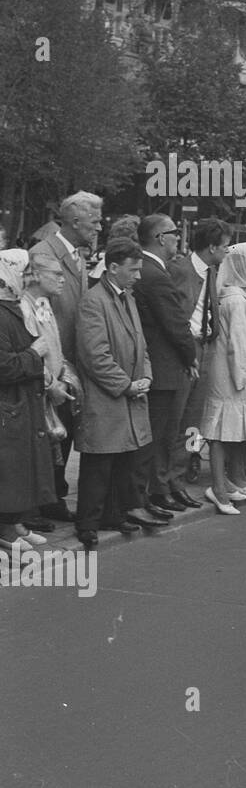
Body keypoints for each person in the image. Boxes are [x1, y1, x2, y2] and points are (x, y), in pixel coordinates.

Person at [74, 239, 166, 545]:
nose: (138, 276)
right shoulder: (93, 301)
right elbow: (94, 355)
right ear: (113, 268)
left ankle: (113, 514)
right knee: (99, 461)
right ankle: (88, 521)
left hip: (129, 392)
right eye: (134, 269)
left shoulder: (126, 297)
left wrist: (146, 377)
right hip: (107, 395)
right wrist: (126, 385)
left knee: (123, 458)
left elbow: (142, 345)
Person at [28, 190, 101, 515]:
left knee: (64, 431)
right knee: (49, 434)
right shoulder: (43, 253)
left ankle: (55, 493)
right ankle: (46, 499)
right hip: (52, 364)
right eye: (94, 221)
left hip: (71, 363)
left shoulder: (77, 255)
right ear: (74, 221)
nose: (98, 227)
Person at [133, 215, 199, 513]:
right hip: (164, 366)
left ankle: (158, 488)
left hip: (158, 364)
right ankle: (151, 492)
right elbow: (176, 324)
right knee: (161, 434)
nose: (179, 237)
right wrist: (190, 357)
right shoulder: (157, 275)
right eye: (174, 232)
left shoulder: (147, 270)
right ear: (160, 237)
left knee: (163, 433)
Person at [199, 242, 246, 513]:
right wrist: (242, 378)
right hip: (232, 377)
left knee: (228, 432)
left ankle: (226, 482)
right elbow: (237, 346)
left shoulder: (233, 296)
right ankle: (218, 487)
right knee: (220, 433)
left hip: (231, 374)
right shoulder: (237, 302)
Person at [19, 248, 82, 530]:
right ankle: (30, 510)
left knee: (53, 449)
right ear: (35, 275)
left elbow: (54, 346)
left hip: (56, 387)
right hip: (37, 390)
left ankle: (50, 501)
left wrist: (64, 376)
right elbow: (31, 351)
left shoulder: (43, 302)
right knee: (36, 451)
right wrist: (50, 383)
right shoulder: (23, 306)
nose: (63, 280)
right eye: (56, 274)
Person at [0, 250, 56, 549]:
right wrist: (36, 354)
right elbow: (4, 366)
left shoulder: (13, 307)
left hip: (19, 403)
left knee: (18, 472)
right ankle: (7, 532)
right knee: (10, 473)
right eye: (24, 274)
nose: (29, 280)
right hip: (10, 405)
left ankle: (13, 527)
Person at [170, 218, 231, 487]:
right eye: (224, 246)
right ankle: (167, 476)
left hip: (206, 345)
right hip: (185, 348)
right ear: (211, 247)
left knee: (195, 417)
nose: (227, 252)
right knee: (177, 415)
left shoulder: (212, 271)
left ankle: (184, 468)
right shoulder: (180, 270)